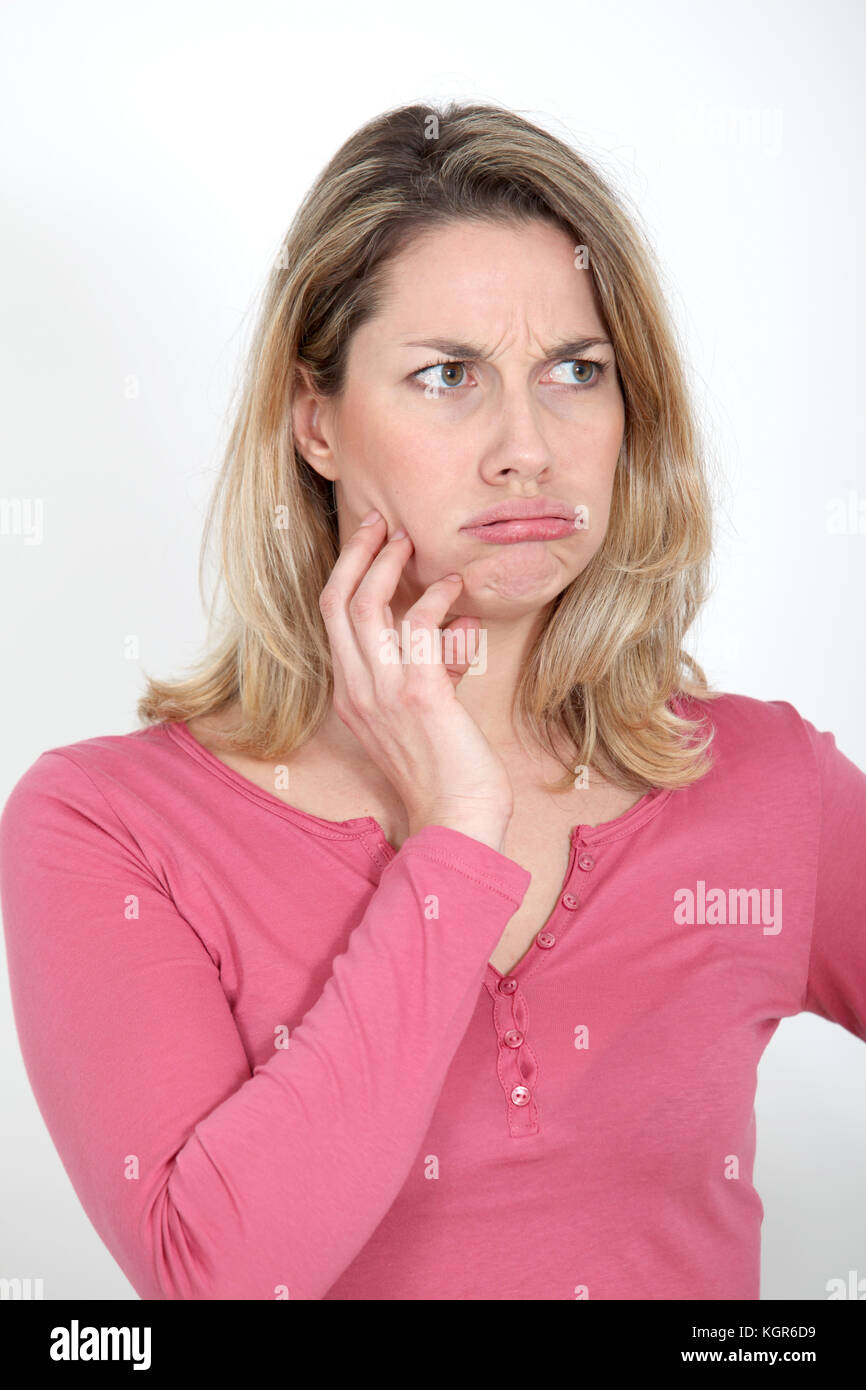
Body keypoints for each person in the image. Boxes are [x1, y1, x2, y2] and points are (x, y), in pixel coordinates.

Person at [1, 100, 864, 1302]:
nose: (527, 446)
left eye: (575, 371)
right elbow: (219, 1283)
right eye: (447, 375)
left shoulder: (766, 786)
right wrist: (457, 831)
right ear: (316, 423)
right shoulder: (107, 823)